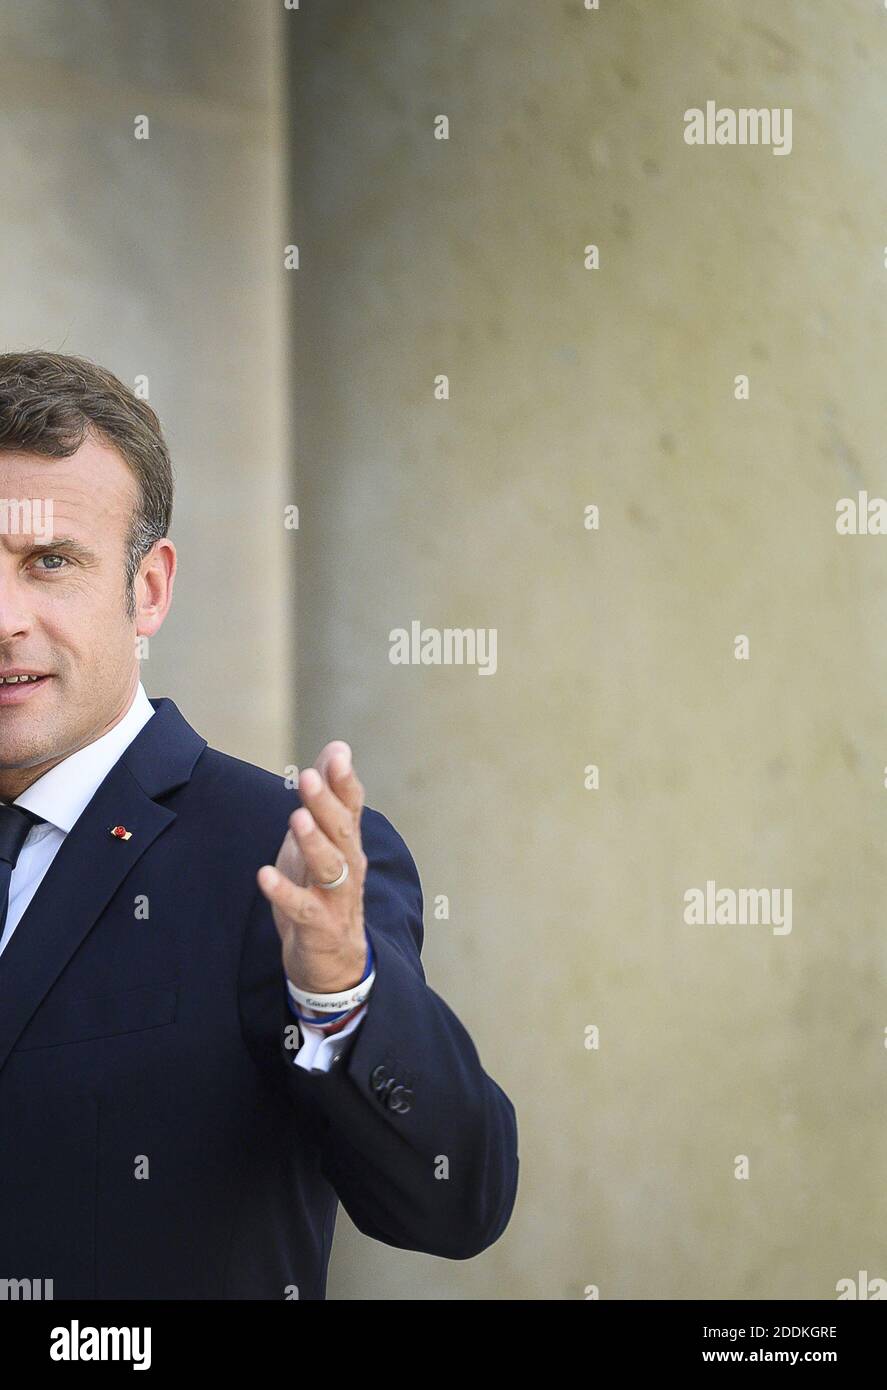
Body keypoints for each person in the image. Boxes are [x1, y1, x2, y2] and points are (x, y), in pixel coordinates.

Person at [0, 351, 518, 1300]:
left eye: (52, 563)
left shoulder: (270, 856)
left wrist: (339, 998)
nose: (3, 617)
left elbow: (454, 1204)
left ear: (146, 589)